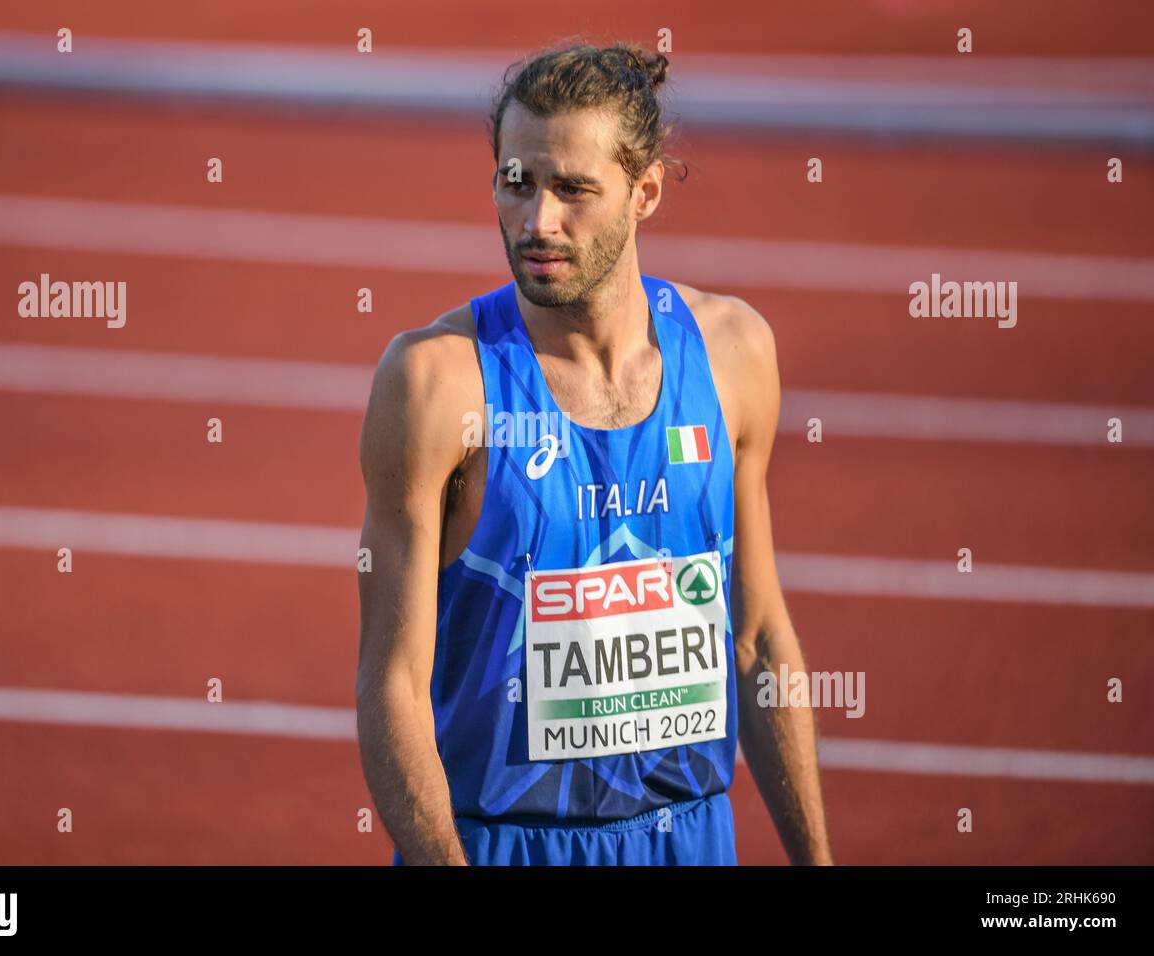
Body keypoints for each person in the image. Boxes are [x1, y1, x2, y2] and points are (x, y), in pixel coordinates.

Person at [356, 41, 833, 865]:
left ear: (645, 191)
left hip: (689, 840)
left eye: (574, 189)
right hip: (502, 847)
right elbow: (390, 681)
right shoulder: (438, 383)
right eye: (517, 183)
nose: (538, 222)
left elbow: (756, 638)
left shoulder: (732, 355)